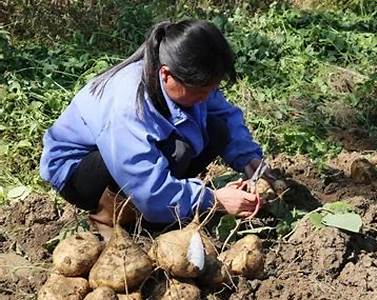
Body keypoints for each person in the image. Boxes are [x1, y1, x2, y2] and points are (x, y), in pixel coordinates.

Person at [39, 20, 274, 236]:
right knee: (177, 152)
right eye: (200, 91)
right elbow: (142, 178)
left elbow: (224, 114)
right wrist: (213, 200)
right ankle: (109, 217)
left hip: (130, 161)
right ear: (166, 75)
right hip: (79, 172)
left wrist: (248, 159)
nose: (206, 97)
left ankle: (161, 210)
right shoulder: (128, 104)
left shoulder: (191, 78)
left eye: (211, 89)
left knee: (217, 128)